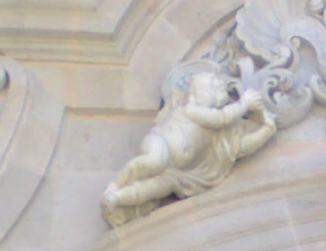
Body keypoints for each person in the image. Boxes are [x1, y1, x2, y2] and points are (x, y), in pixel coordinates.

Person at [100, 68, 276, 227]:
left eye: (216, 84)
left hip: (178, 173)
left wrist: (267, 130)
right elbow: (221, 118)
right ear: (193, 95)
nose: (216, 86)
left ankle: (116, 199)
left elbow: (240, 147)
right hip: (161, 143)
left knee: (155, 189)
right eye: (208, 85)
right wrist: (244, 103)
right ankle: (116, 184)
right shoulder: (192, 109)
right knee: (155, 161)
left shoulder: (222, 135)